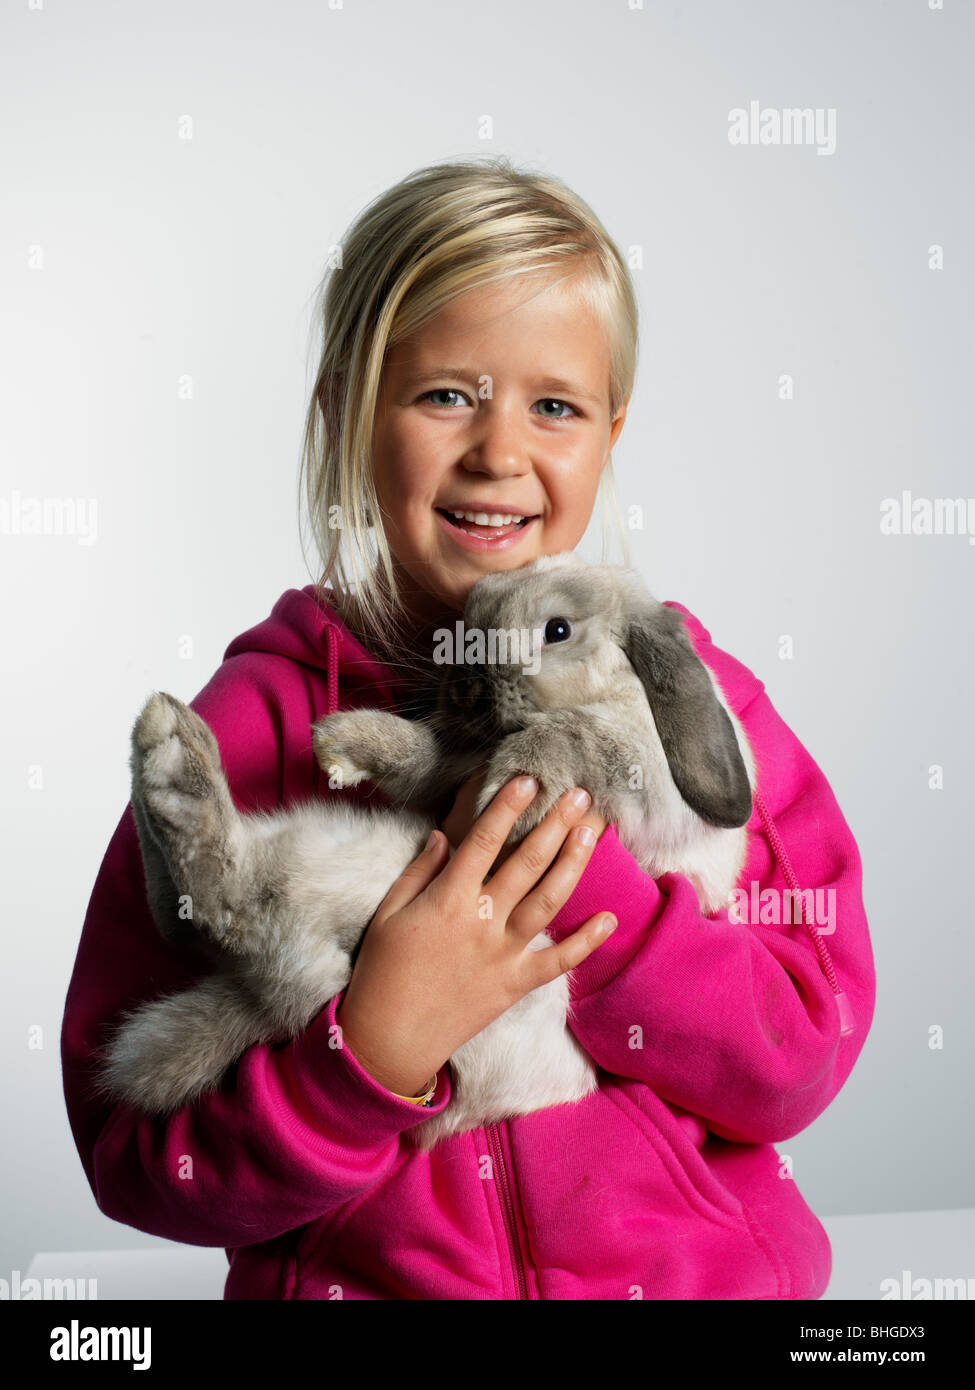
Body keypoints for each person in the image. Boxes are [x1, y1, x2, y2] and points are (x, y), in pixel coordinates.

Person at [61, 156, 876, 1300]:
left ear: (610, 431)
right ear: (346, 411)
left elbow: (800, 1047)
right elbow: (132, 1148)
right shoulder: (252, 725)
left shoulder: (693, 693)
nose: (501, 452)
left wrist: (591, 906)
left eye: (555, 405)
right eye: (447, 393)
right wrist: (375, 1048)